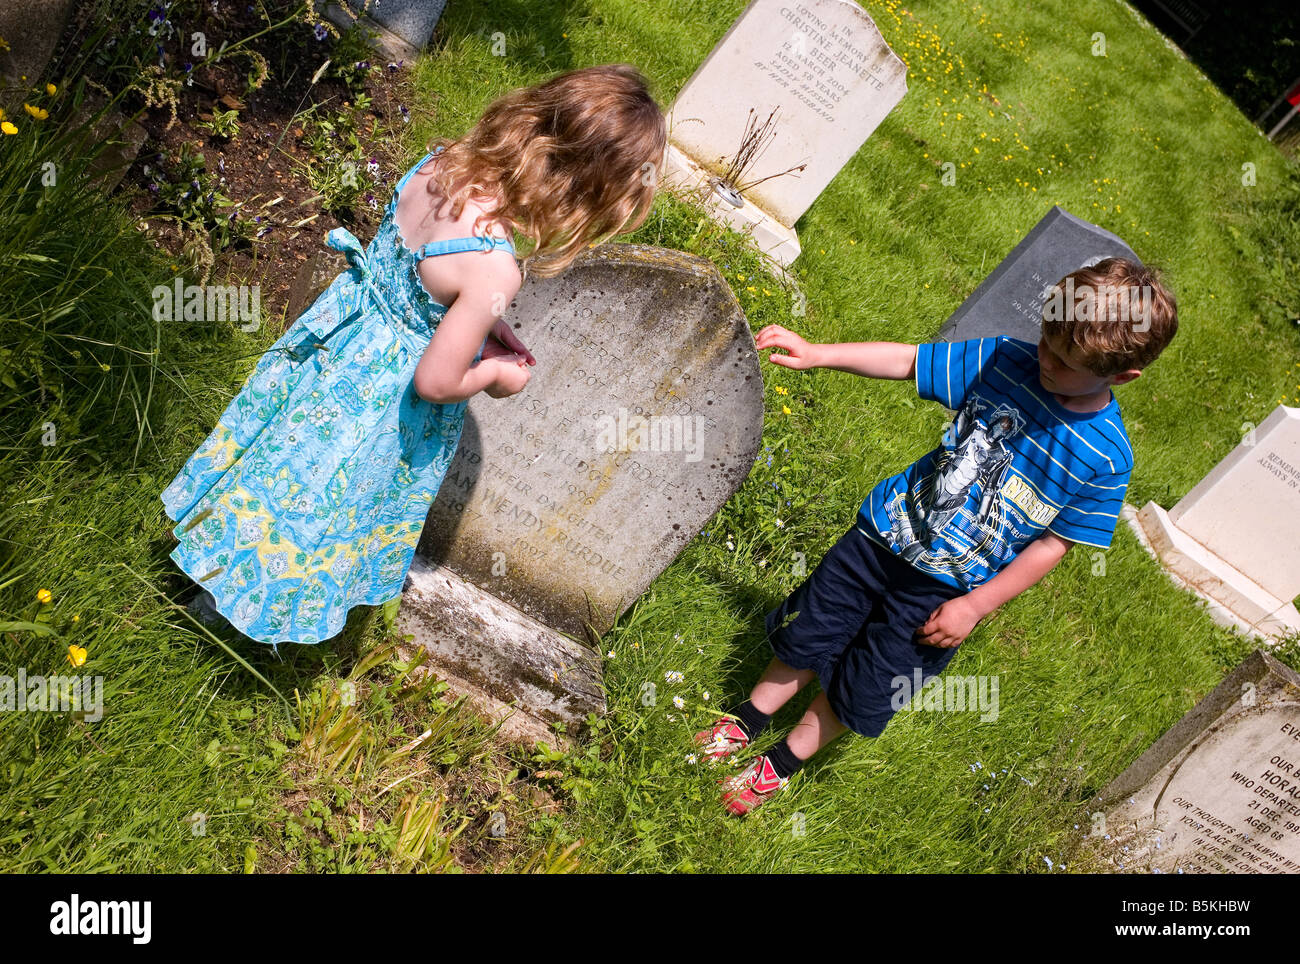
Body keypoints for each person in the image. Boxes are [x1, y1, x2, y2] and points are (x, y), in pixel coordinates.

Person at [162, 64, 666, 645]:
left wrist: (481, 325)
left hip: (338, 343)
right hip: (375, 405)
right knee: (320, 496)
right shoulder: (493, 264)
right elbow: (434, 380)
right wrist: (498, 372)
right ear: (580, 192)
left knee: (280, 461)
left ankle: (210, 560)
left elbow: (416, 280)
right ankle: (229, 613)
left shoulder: (441, 164)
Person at [697, 257, 1178, 816]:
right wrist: (820, 353)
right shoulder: (1003, 359)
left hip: (945, 591)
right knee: (811, 631)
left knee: (871, 680)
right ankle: (744, 721)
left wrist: (975, 606)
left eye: (1065, 362)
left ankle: (778, 764)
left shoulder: (1106, 458)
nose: (1044, 360)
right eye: (1046, 340)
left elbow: (1055, 544)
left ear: (1121, 377)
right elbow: (909, 361)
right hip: (883, 538)